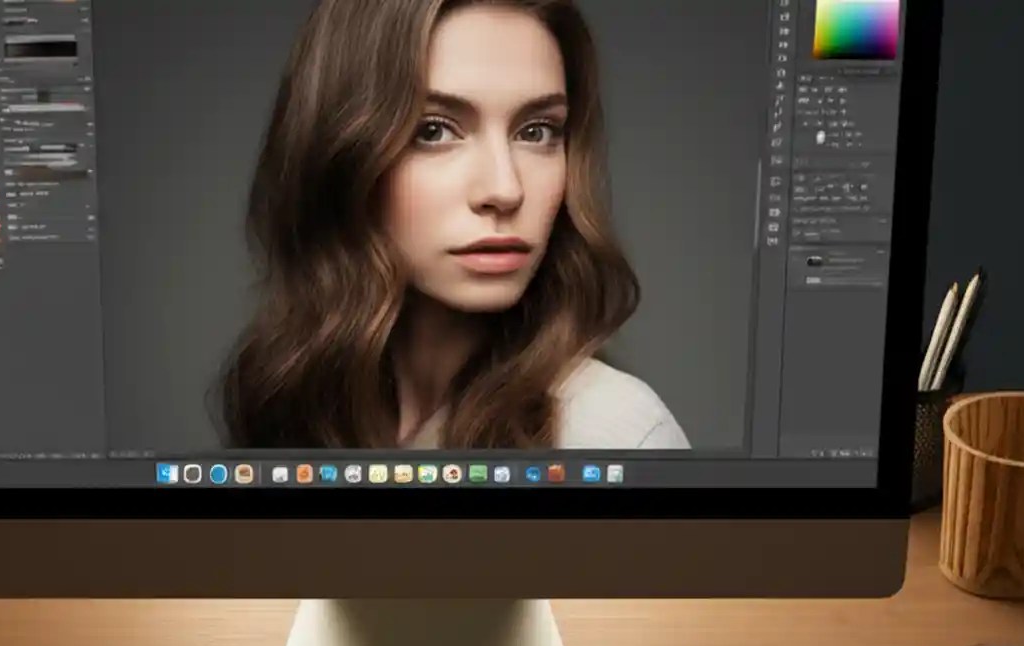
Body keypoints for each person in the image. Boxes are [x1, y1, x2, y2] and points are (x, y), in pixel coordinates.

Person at [214, 0, 689, 450]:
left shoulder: (611, 432)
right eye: (434, 130)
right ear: (342, 155)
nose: (504, 189)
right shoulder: (301, 411)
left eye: (536, 131)